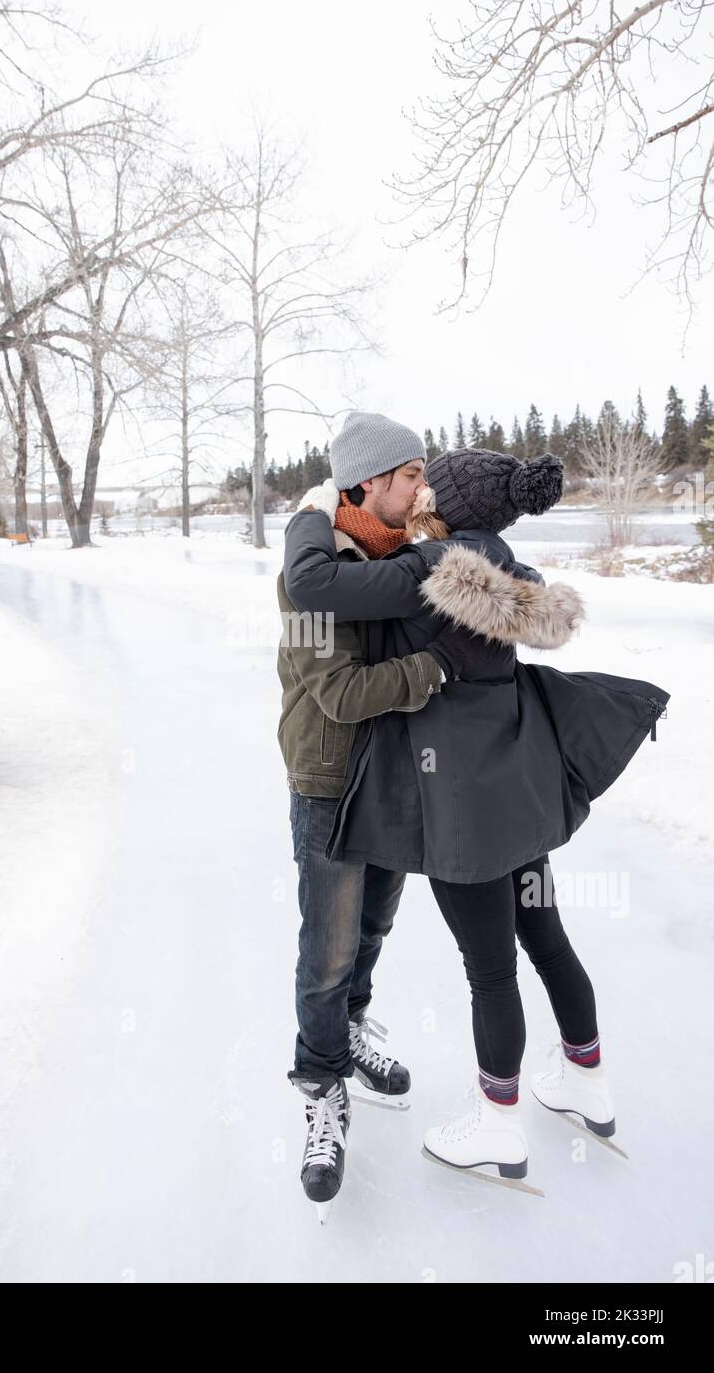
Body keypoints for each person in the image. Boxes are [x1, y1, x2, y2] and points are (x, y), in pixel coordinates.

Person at [284, 443, 669, 1194]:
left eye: (431, 481)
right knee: (546, 938)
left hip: (460, 801)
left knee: (489, 969)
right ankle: (585, 1081)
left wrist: (311, 512)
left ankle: (496, 1125)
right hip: (520, 789)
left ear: (449, 503)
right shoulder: (512, 575)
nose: (420, 488)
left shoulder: (432, 571)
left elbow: (314, 585)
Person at [278, 414, 554, 1213]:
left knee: (372, 929)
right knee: (327, 950)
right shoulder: (314, 564)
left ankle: (351, 1031)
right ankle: (321, 1089)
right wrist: (438, 665)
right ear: (368, 482)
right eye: (408, 474)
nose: (420, 487)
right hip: (330, 776)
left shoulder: (403, 554)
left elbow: (498, 585)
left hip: (394, 778)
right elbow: (336, 693)